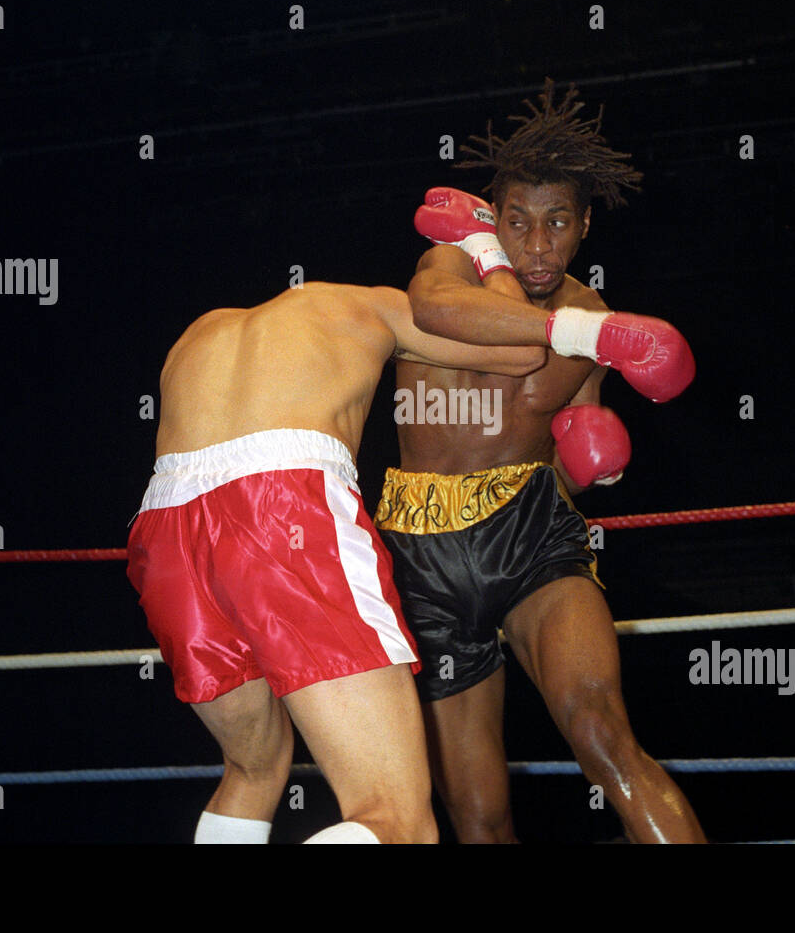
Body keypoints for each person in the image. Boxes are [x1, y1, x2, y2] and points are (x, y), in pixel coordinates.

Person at [374, 80, 707, 842]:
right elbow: (446, 319)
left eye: (556, 223)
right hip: (421, 557)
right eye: (517, 224)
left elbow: (564, 449)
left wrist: (591, 464)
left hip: (534, 538)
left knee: (601, 735)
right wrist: (481, 247)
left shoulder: (594, 317)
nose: (536, 245)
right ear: (494, 223)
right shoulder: (450, 268)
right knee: (481, 817)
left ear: (584, 225)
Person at [125, 281, 546, 844]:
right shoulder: (370, 305)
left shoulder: (199, 332)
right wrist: (486, 252)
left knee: (253, 769)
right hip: (283, 505)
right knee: (397, 820)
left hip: (167, 529)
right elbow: (523, 344)